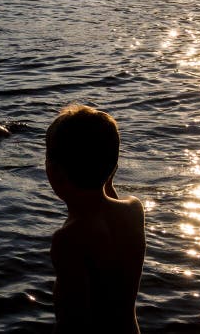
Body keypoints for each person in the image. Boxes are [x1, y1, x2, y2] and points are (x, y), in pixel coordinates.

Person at [45, 105, 146, 333]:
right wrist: (107, 180)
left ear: (55, 173)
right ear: (112, 168)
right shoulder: (133, 210)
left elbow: (74, 321)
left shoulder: (68, 239)